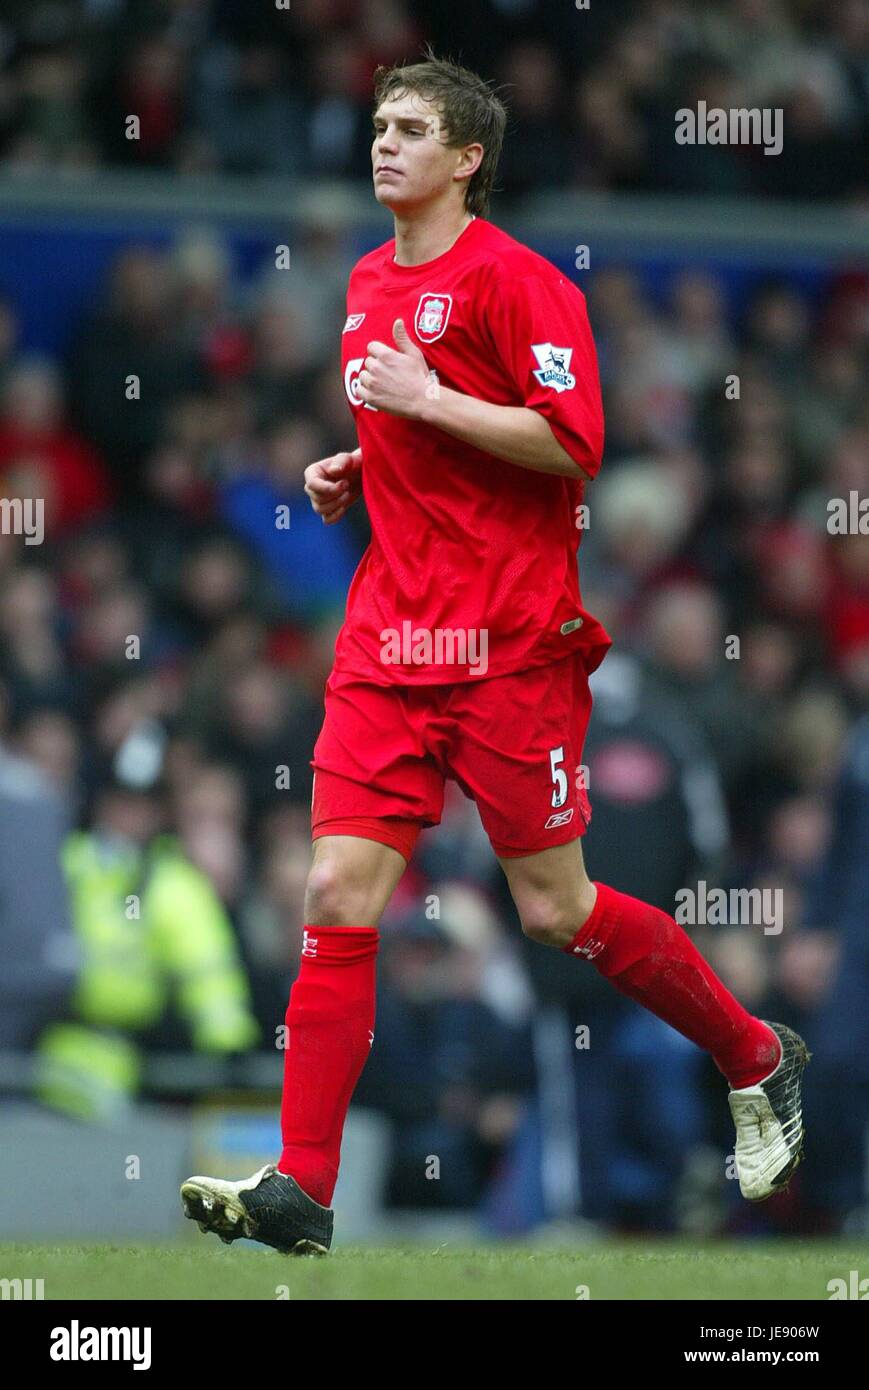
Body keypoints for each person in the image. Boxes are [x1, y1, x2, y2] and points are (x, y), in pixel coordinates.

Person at [182, 47, 809, 1255]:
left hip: (505, 646)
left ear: (466, 160)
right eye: (377, 124)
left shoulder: (522, 284)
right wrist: (356, 464)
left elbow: (570, 441)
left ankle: (751, 1052)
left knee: (553, 908)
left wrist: (423, 406)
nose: (384, 143)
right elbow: (431, 438)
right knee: (332, 891)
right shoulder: (365, 279)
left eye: (412, 129)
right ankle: (302, 1188)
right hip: (385, 639)